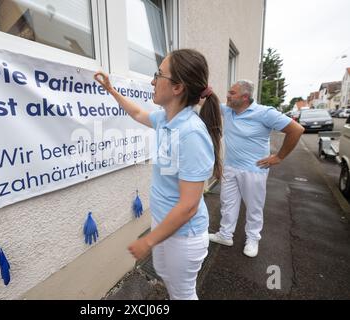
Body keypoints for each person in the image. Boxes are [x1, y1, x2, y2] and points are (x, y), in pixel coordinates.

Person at [94, 49, 222, 300]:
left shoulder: (191, 134)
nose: (153, 81)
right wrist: (111, 89)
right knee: (170, 284)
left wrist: (148, 241)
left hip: (183, 238)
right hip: (165, 228)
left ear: (177, 88)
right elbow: (137, 113)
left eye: (158, 74)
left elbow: (188, 206)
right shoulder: (166, 119)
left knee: (183, 295)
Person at [209, 80, 305, 257]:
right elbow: (208, 101)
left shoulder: (265, 113)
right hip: (230, 167)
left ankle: (253, 239)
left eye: (232, 93)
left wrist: (279, 157)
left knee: (254, 207)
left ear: (245, 97)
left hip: (254, 170)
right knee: (228, 203)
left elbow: (297, 130)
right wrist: (206, 92)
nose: (228, 96)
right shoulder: (228, 110)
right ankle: (225, 234)